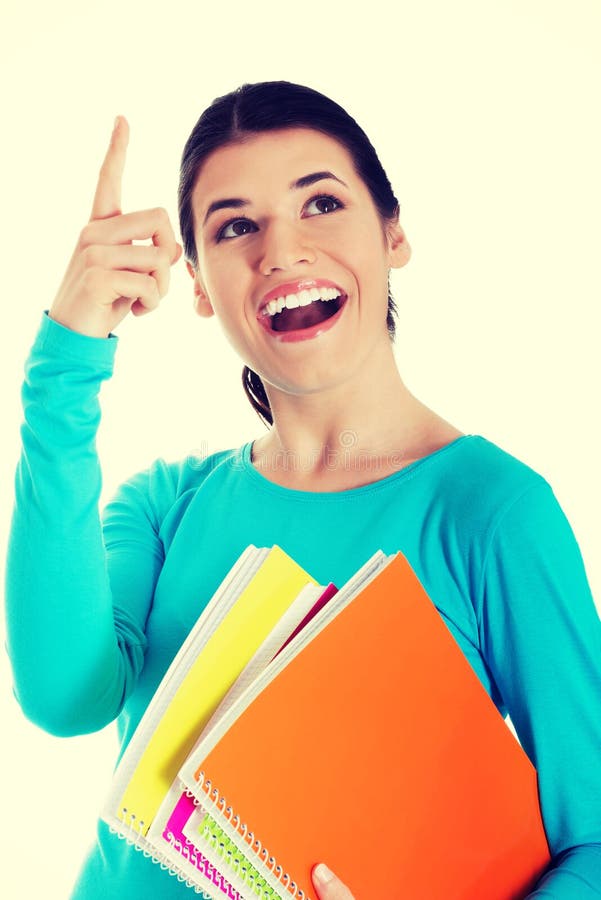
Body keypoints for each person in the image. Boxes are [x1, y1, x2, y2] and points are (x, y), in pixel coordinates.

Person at [4, 80, 601, 899]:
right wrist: (60, 373)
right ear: (202, 287)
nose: (280, 252)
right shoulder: (162, 505)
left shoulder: (491, 512)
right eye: (236, 226)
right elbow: (65, 698)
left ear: (392, 233)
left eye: (320, 203)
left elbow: (593, 841)